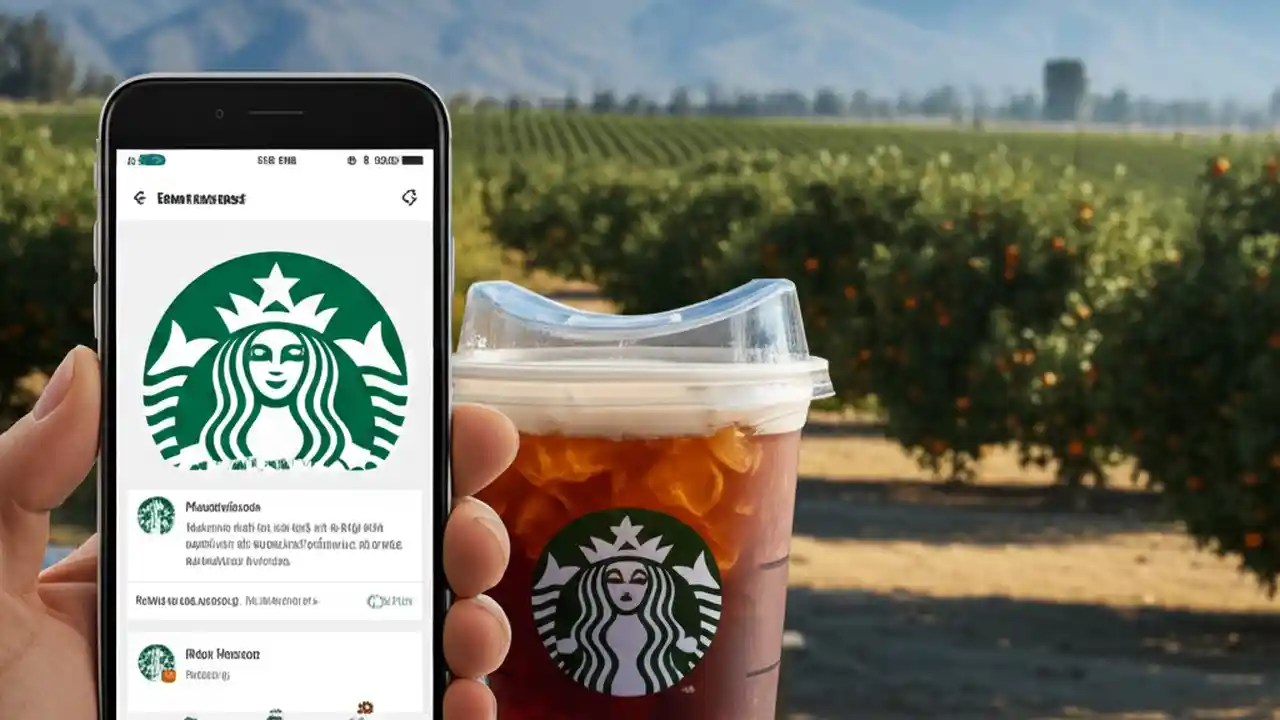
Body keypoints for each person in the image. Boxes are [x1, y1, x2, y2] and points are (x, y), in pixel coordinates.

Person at [0, 346, 516, 719]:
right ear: (233, 364)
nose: (273, 368)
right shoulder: (203, 454)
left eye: (291, 355)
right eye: (259, 355)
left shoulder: (351, 457)